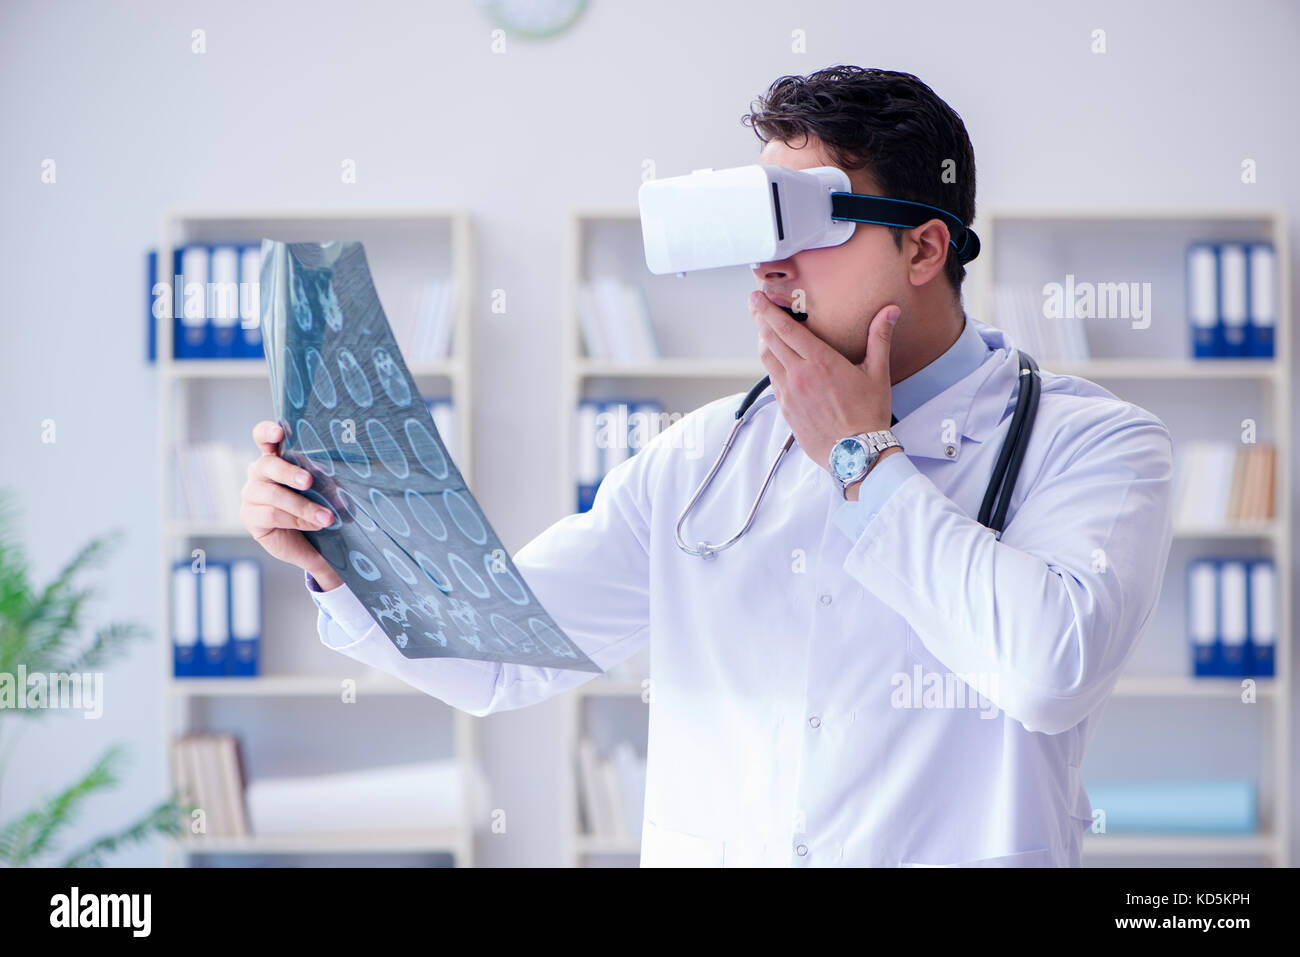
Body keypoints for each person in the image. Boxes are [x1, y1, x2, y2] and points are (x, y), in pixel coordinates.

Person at [240, 66, 1175, 867]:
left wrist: (863, 459)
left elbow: (1051, 672)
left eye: (805, 222)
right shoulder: (699, 458)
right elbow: (500, 656)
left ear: (925, 245)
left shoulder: (1091, 443)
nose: (769, 267)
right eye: (754, 227)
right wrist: (338, 552)